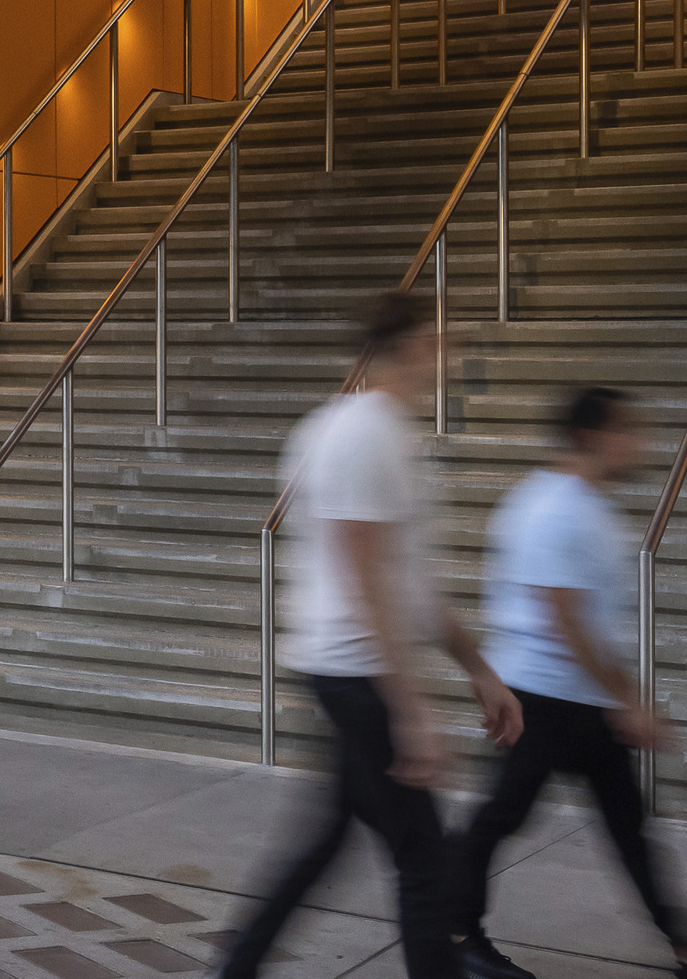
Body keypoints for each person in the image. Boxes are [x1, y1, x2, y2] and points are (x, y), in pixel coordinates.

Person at [212, 291, 520, 979]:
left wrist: (478, 668)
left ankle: (238, 963)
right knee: (424, 861)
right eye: (441, 342)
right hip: (355, 671)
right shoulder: (361, 435)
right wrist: (411, 711)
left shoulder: (359, 429)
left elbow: (406, 580)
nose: (448, 357)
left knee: (327, 838)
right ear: (409, 346)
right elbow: (366, 579)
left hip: (347, 666)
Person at [445, 389, 687, 979]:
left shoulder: (582, 504)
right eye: (627, 430)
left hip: (578, 698)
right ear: (589, 437)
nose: (639, 442)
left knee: (626, 827)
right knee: (500, 818)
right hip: (538, 695)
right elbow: (565, 622)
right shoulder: (553, 507)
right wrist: (630, 701)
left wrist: (617, 698)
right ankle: (456, 934)